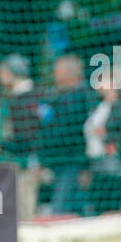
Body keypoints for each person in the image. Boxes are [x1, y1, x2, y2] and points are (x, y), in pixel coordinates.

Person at [0, 54, 41, 220]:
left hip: (23, 166)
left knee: (23, 216)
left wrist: (1, 145)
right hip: (1, 165)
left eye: (2, 71)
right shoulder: (4, 98)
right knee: (2, 215)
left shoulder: (29, 97)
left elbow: (29, 136)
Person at [39, 54, 94, 215]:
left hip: (73, 163)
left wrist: (86, 166)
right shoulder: (58, 97)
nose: (54, 73)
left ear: (68, 72)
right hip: (59, 162)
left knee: (61, 210)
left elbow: (79, 132)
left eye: (57, 70)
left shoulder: (81, 96)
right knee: (74, 208)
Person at [83, 75, 121, 215]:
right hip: (99, 166)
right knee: (99, 208)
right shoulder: (99, 105)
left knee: (114, 208)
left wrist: (107, 136)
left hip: (117, 167)